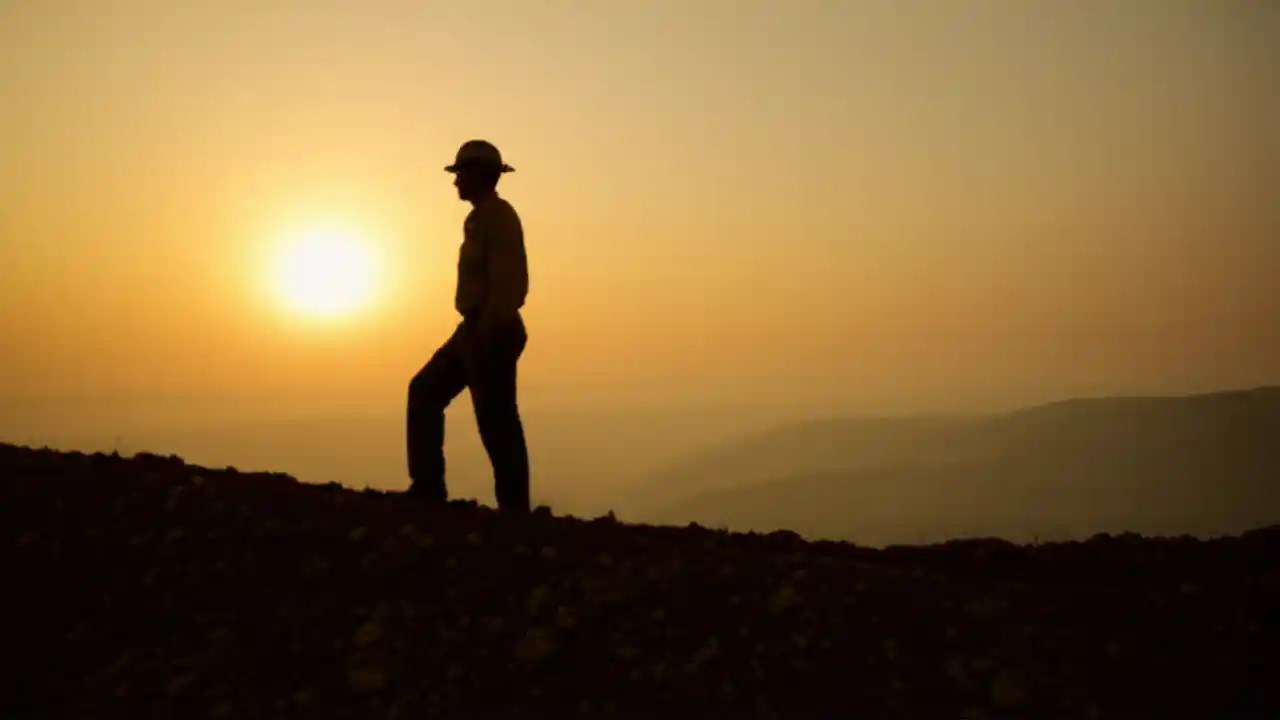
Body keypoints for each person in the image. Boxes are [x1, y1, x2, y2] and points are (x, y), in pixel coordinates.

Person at [406, 139, 531, 513]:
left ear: (479, 175)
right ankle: (428, 487)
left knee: (497, 423)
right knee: (426, 391)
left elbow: (511, 285)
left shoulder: (499, 217)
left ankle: (514, 511)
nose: (456, 181)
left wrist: (485, 331)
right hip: (476, 327)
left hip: (492, 329)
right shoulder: (480, 218)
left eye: (461, 173)